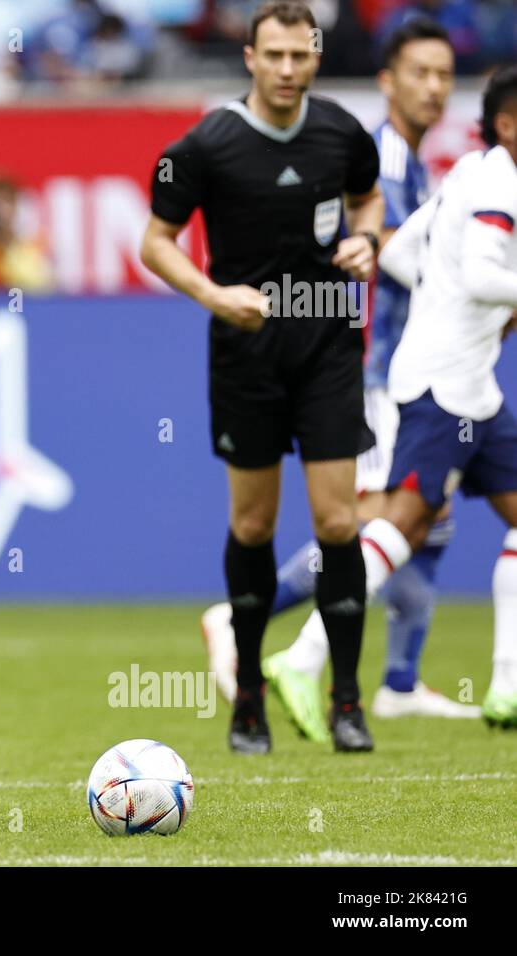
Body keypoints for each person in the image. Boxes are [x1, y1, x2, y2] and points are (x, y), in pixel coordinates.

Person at [202, 18, 479, 731]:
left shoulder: (408, 162)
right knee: (375, 522)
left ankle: (398, 678)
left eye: (444, 74)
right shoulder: (378, 157)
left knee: (420, 521)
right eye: (419, 72)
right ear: (385, 80)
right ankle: (262, 635)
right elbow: (381, 256)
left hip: (406, 364)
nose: (434, 87)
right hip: (387, 368)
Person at [141, 1, 385, 754]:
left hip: (328, 345)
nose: (286, 70)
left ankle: (347, 699)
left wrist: (368, 238)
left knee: (340, 522)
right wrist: (213, 295)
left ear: (316, 58)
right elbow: (155, 243)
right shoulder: (208, 144)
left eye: (300, 56)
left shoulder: (343, 131)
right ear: (248, 57)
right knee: (253, 524)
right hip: (246, 352)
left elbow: (368, 197)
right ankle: (248, 693)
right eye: (272, 55)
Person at [276, 65, 517, 732]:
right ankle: (301, 658)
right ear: (507, 122)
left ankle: (506, 688)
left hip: (471, 385)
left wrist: (449, 307)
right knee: (401, 526)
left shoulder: (468, 172)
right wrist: (471, 307)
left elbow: (403, 251)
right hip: (443, 385)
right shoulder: (500, 182)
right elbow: (479, 272)